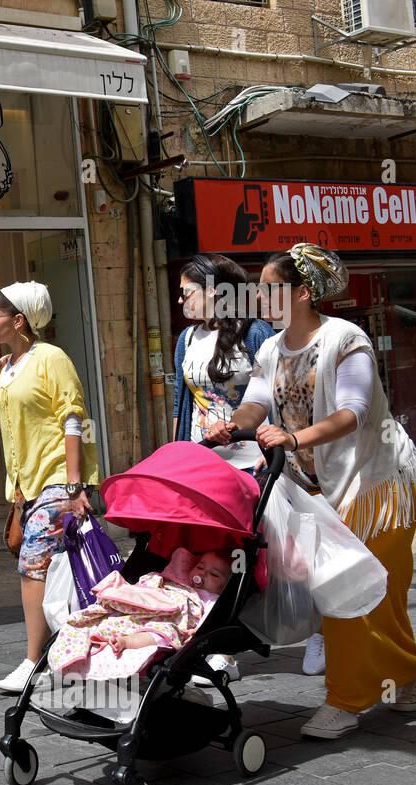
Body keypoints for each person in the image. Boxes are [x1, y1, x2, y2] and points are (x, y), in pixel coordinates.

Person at [205, 243, 416, 739]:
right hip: (320, 491)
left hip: (377, 486)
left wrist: (293, 438)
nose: (260, 296)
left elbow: (352, 410)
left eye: (271, 288)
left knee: (373, 594)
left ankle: (346, 701)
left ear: (304, 293)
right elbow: (256, 404)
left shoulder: (345, 338)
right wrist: (232, 427)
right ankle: (412, 671)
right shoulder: (270, 349)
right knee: (348, 593)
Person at [0, 281, 100, 693]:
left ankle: (33, 661)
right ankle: (66, 651)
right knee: (48, 568)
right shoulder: (8, 368)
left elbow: (72, 418)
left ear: (19, 320)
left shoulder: (51, 358)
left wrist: (74, 484)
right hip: (24, 486)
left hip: (56, 479)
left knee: (31, 566)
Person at [173, 253, 276, 684]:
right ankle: (218, 648)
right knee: (212, 551)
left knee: (262, 553)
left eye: (187, 293)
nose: (181, 301)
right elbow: (182, 402)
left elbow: (275, 393)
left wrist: (277, 450)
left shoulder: (255, 333)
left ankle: (312, 624)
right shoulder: (186, 339)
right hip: (205, 462)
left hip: (252, 461)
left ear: (216, 292)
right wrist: (176, 454)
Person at [48, 549, 230, 681]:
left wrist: (198, 631)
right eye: (200, 567)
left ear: (224, 586)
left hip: (174, 619)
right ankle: (104, 631)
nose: (202, 575)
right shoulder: (176, 583)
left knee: (166, 632)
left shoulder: (211, 598)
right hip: (152, 609)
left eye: (214, 574)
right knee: (122, 618)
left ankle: (126, 642)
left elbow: (209, 618)